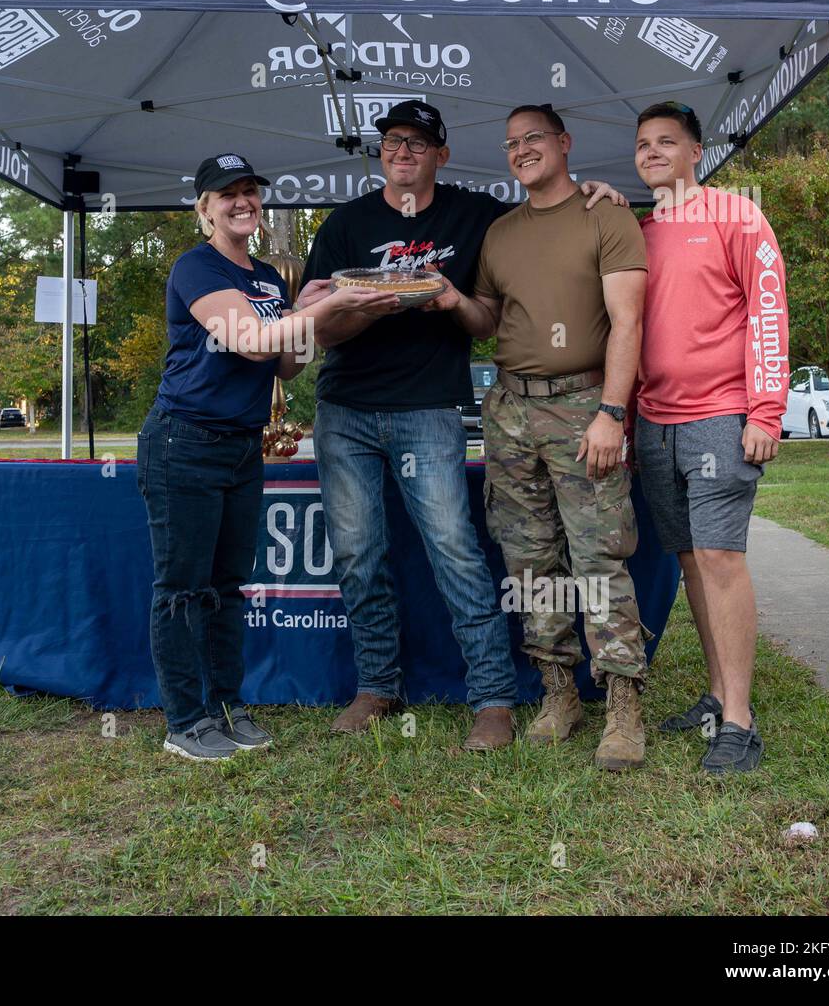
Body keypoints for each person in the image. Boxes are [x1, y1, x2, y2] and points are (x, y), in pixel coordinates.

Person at [299, 99, 629, 751]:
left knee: (455, 549)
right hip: (346, 409)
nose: (403, 152)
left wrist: (598, 193)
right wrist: (361, 309)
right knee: (359, 555)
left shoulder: (475, 215)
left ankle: (493, 697)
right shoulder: (345, 223)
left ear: (440, 156)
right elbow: (316, 327)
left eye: (418, 144)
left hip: (428, 409)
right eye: (393, 141)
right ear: (380, 152)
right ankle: (377, 686)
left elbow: (544, 217)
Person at [138, 152, 390, 762]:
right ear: (205, 207)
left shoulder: (269, 280)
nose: (242, 201)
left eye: (250, 191)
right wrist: (321, 309)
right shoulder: (196, 268)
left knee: (227, 586)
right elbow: (249, 343)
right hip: (184, 441)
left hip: (241, 445)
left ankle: (226, 704)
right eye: (228, 193)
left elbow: (286, 365)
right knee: (182, 587)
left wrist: (315, 311)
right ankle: (185, 720)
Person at [475, 104, 649, 770]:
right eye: (511, 142)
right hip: (511, 409)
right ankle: (558, 693)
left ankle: (624, 704)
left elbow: (626, 322)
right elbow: (487, 315)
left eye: (534, 139)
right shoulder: (500, 234)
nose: (521, 150)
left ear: (564, 143)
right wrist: (438, 298)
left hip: (583, 407)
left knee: (599, 557)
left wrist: (611, 410)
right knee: (531, 561)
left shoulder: (606, 214)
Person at [631, 102, 789, 774]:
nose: (653, 152)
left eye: (667, 141)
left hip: (721, 415)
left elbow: (768, 309)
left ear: (697, 151)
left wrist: (766, 410)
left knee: (721, 559)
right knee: (691, 562)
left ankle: (740, 721)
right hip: (652, 421)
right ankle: (719, 691)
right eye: (642, 145)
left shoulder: (736, 216)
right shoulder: (637, 230)